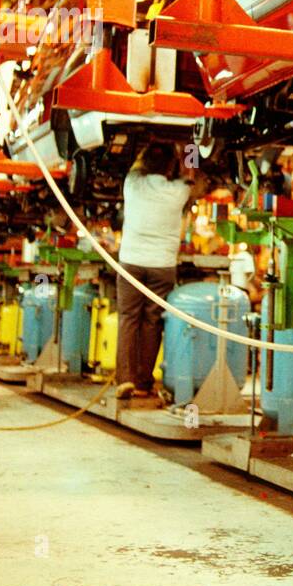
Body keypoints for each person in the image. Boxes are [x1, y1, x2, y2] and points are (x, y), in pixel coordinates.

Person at [115, 142, 204, 399]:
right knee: (152, 321)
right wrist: (189, 150)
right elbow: (191, 176)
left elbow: (135, 167)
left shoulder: (132, 183)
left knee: (128, 318)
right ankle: (144, 382)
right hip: (162, 265)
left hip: (131, 261)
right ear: (169, 167)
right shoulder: (178, 191)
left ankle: (125, 380)